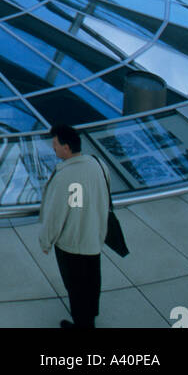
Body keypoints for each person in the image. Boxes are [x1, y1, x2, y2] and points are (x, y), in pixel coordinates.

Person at [39, 124, 109, 330]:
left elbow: (56, 215)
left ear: (66, 148)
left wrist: (46, 240)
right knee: (92, 281)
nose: (53, 148)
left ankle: (83, 325)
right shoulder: (98, 164)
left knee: (76, 288)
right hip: (94, 238)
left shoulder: (64, 177)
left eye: (55, 144)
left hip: (72, 243)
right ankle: (90, 318)